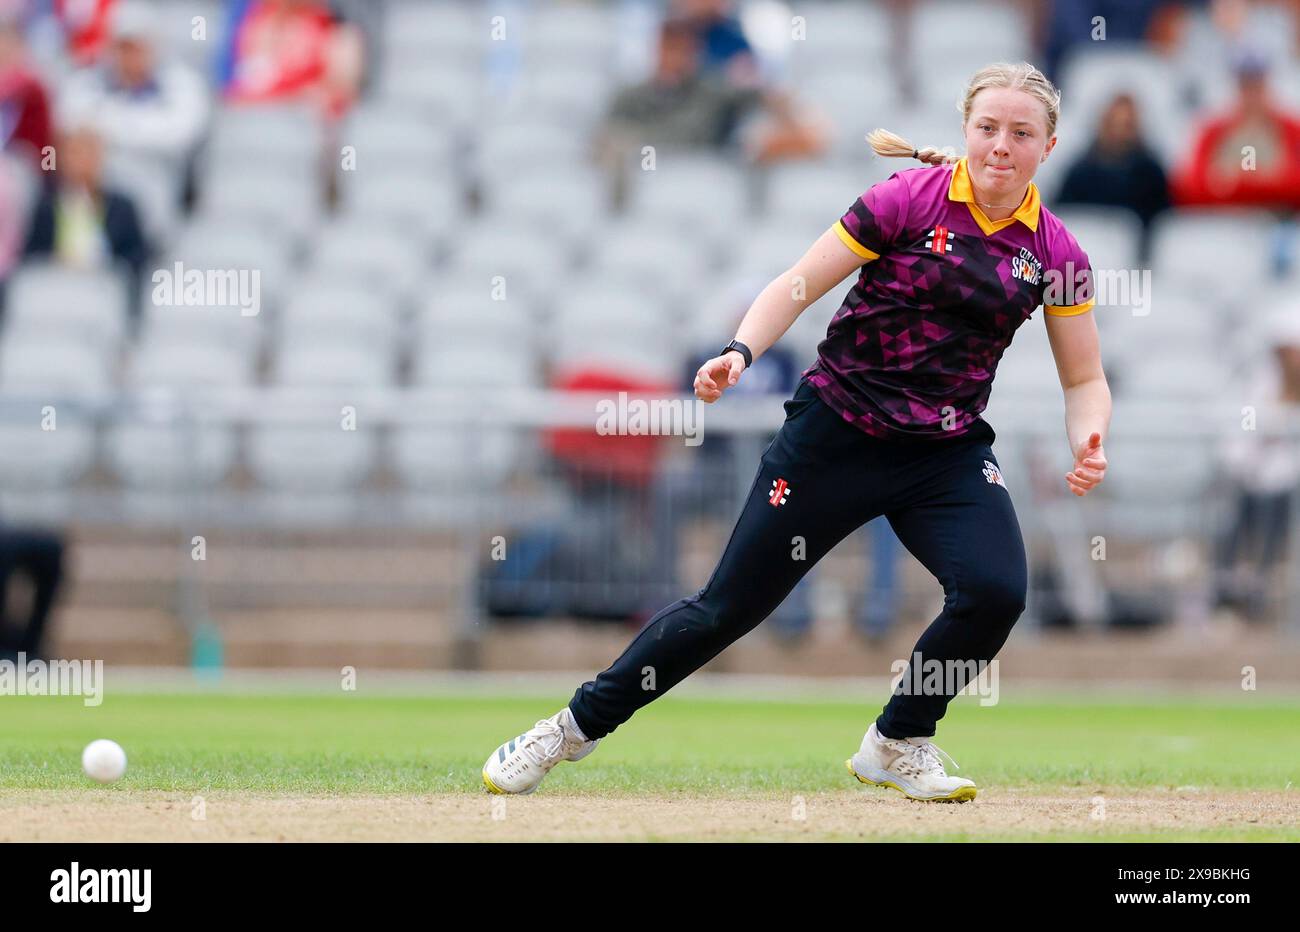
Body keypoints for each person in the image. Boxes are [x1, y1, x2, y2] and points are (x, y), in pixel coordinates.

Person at [483, 62, 1111, 803]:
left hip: (944, 452)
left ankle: (898, 740)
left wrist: (1090, 436)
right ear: (966, 132)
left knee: (996, 590)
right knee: (724, 611)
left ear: (1050, 144)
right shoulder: (905, 200)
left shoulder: (1060, 256)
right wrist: (739, 352)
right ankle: (567, 730)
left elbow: (1083, 379)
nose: (1002, 144)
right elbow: (797, 284)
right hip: (835, 436)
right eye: (988, 128)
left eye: (1021, 133)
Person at [1056, 92, 1170, 261]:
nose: (1119, 131)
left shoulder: (1151, 174)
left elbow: (1161, 223)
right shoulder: (1080, 171)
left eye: (1126, 125)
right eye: (1113, 123)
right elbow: (1065, 216)